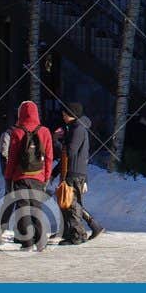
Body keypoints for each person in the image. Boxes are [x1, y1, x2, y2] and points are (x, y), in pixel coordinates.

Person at [0, 100, 55, 250]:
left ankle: (27, 242)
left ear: (20, 113)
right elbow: (49, 157)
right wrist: (47, 176)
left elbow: (13, 158)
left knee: (23, 209)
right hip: (39, 177)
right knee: (37, 208)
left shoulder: (17, 131)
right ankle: (41, 242)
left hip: (20, 176)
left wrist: (8, 177)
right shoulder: (45, 131)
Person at [55, 101, 103, 244]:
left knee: (71, 205)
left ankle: (77, 236)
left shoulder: (77, 129)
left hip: (74, 172)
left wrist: (59, 140)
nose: (63, 117)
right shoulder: (76, 128)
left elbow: (71, 152)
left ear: (72, 115)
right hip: (77, 171)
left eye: (65, 114)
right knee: (73, 204)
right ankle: (93, 226)